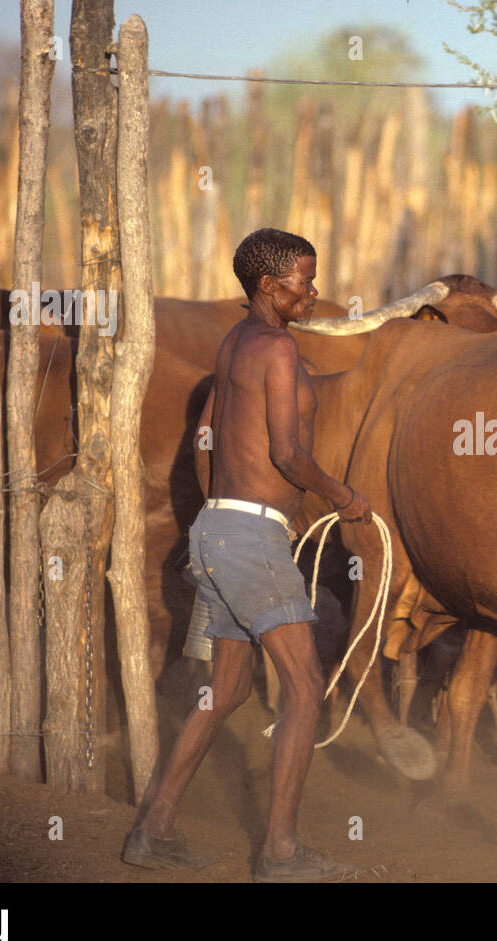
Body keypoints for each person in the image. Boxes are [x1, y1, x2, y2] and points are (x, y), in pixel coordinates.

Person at [123, 228, 371, 882]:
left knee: (227, 689)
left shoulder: (233, 344)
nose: (314, 292)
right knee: (306, 686)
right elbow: (288, 453)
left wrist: (218, 511)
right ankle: (282, 854)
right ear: (269, 285)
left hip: (218, 532)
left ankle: (154, 830)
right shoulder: (280, 351)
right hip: (251, 540)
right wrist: (343, 496)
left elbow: (206, 438)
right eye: (303, 280)